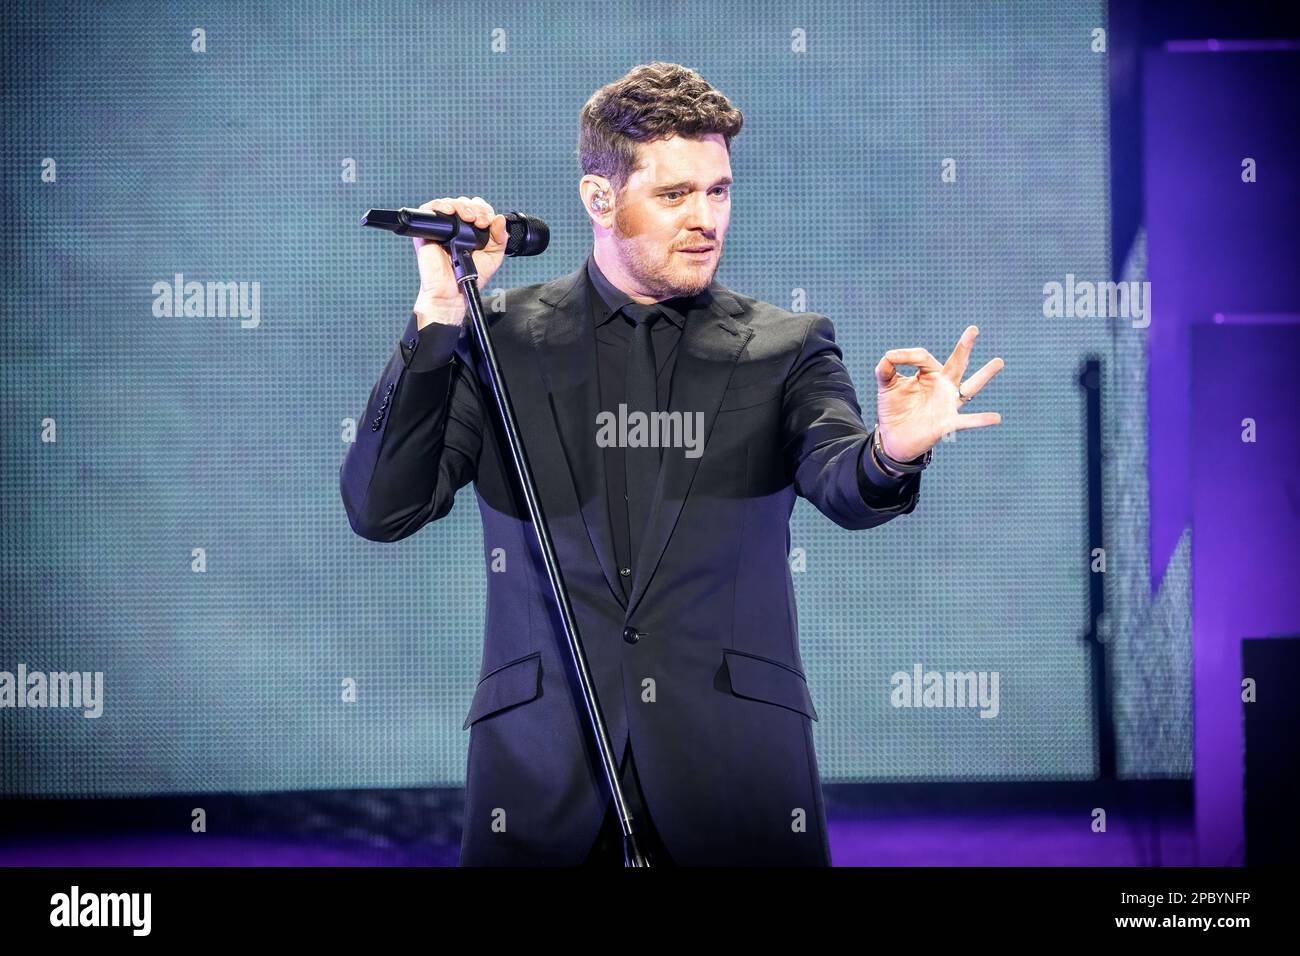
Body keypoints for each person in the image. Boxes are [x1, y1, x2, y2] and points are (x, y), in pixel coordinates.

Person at [340, 62, 1003, 866]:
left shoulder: (784, 346)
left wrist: (893, 451)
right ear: (600, 200)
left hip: (737, 777)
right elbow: (383, 508)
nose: (706, 219)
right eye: (676, 194)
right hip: (542, 777)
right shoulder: (498, 337)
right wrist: (442, 312)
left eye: (719, 191)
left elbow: (842, 477)